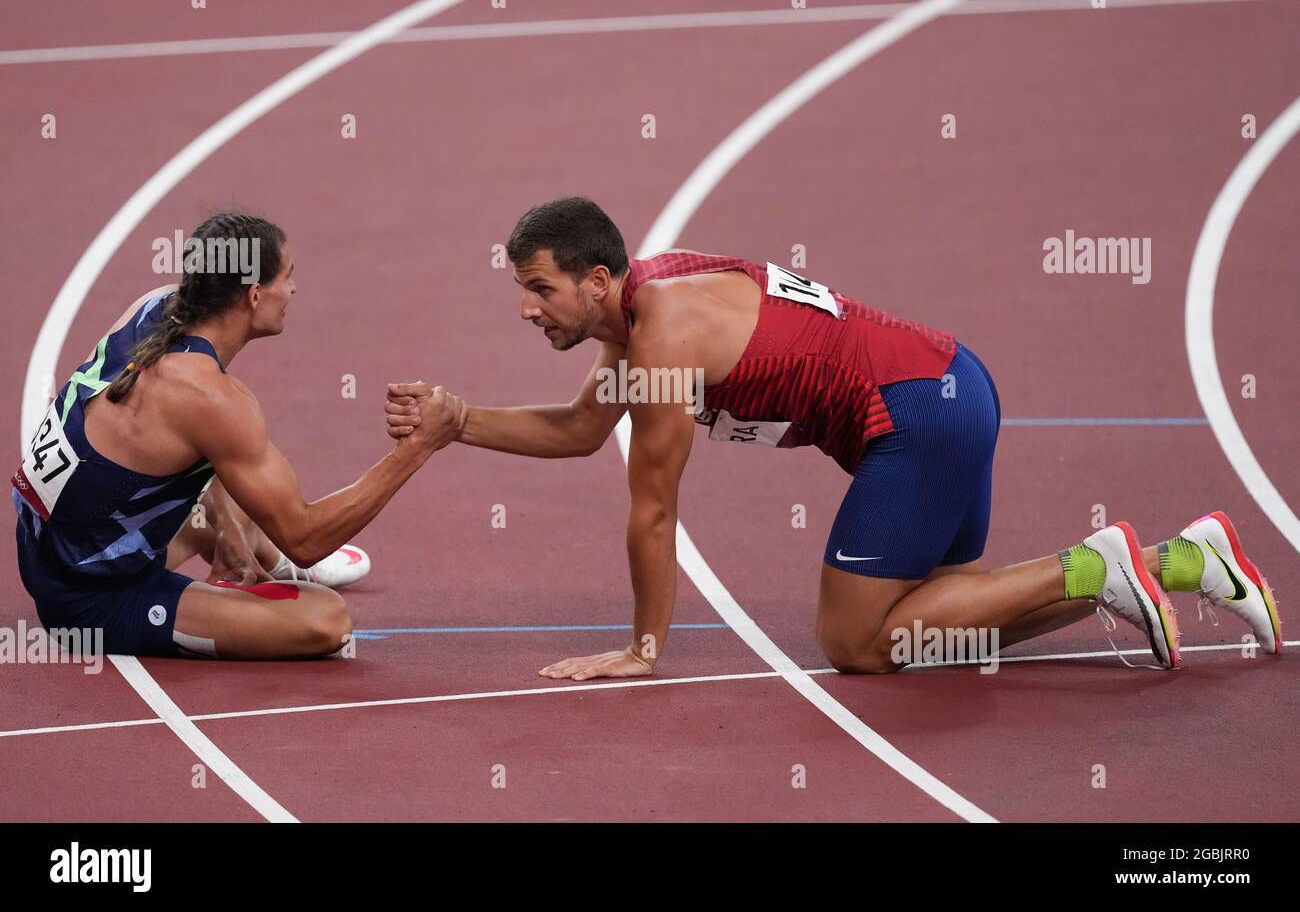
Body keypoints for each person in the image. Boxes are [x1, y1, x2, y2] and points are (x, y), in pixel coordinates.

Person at [386, 196, 1280, 680]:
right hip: (954, 381)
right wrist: (459, 420)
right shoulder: (648, 301)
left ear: (595, 280)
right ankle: (1173, 560)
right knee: (945, 628)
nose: (524, 307)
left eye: (540, 289)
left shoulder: (662, 342)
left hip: (916, 419)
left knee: (857, 646)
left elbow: (653, 513)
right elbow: (585, 429)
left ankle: (1100, 564)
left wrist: (643, 649)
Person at [13, 212, 463, 659]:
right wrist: (418, 447)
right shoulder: (211, 398)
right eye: (287, 278)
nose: (293, 291)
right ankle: (250, 572)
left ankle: (252, 553)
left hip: (52, 549)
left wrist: (227, 529)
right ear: (253, 295)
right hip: (87, 602)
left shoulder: (156, 306)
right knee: (325, 621)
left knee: (241, 490)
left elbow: (179, 442)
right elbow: (307, 540)